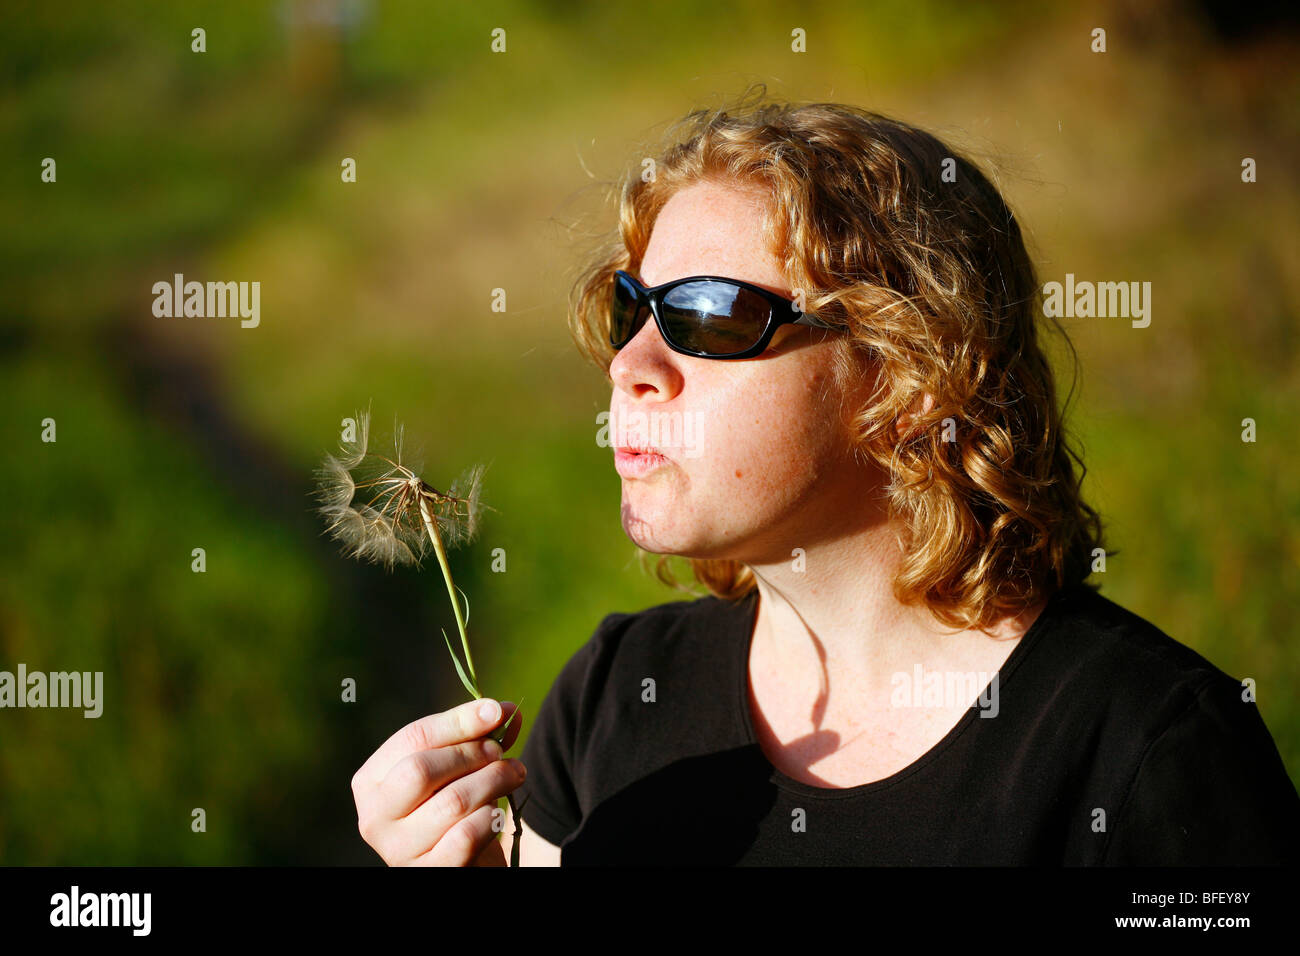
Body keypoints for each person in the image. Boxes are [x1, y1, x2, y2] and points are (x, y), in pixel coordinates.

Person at [349, 87, 1300, 866]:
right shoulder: (616, 694)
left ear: (909, 375)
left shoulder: (1144, 753)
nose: (629, 363)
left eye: (712, 315)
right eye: (629, 308)